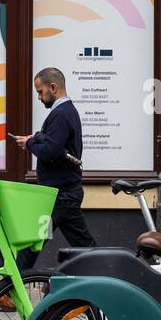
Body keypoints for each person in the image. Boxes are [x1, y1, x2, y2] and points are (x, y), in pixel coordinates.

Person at [11, 67, 96, 270]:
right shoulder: (65, 112)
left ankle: (110, 280)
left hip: (60, 196)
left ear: (53, 87)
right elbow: (53, 143)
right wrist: (36, 137)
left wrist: (31, 144)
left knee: (82, 246)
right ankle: (11, 291)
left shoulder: (61, 114)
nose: (39, 97)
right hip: (58, 195)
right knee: (33, 243)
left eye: (40, 92)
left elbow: (51, 151)